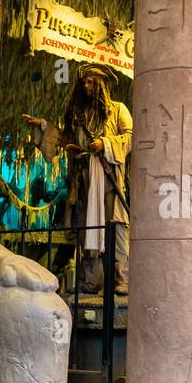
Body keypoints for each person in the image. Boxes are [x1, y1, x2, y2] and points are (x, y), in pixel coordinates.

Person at [25, 63, 132, 293]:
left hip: (108, 177)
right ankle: (89, 281)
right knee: (88, 228)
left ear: (101, 84)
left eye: (91, 82)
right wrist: (43, 126)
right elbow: (65, 139)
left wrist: (104, 143)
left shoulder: (118, 110)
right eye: (83, 82)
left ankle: (121, 279)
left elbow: (131, 136)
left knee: (117, 227)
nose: (86, 86)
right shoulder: (79, 116)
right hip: (84, 180)